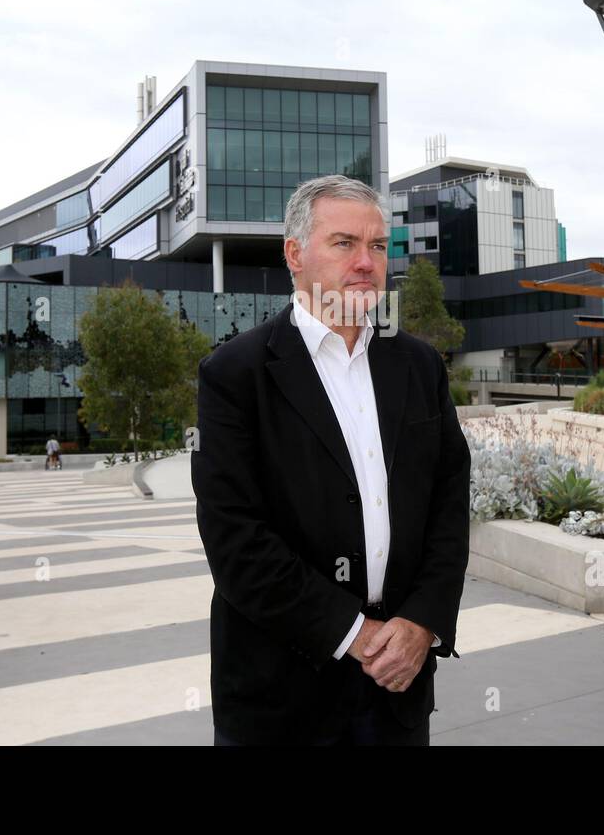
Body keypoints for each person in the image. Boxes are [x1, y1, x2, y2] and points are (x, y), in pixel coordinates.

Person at [192, 174, 471, 746]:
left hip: (400, 686)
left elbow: (449, 498)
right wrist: (354, 633)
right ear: (294, 254)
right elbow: (235, 539)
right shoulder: (234, 376)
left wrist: (423, 621)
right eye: (344, 243)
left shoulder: (419, 367)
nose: (366, 262)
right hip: (283, 694)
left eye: (377, 246)